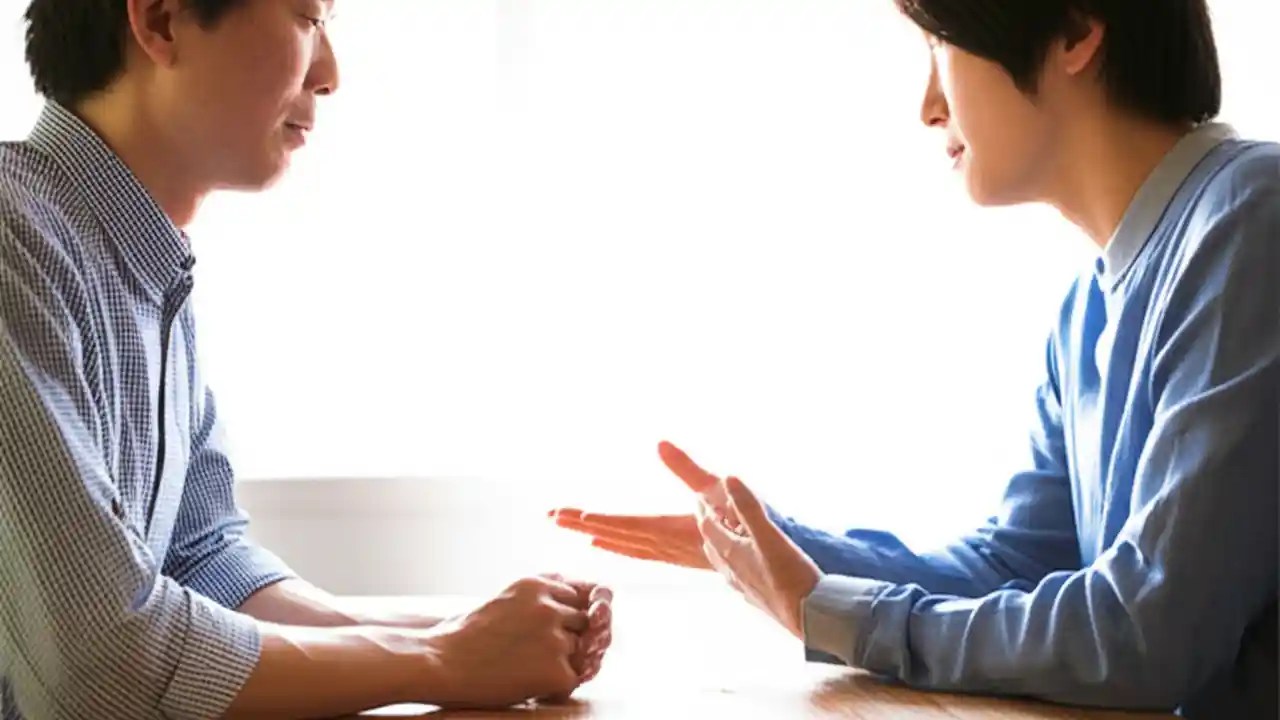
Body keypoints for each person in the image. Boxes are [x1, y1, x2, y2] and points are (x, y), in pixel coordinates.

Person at [551, 1, 1277, 718]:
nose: (929, 106)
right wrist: (772, 550)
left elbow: (1144, 634)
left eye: (941, 47)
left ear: (1076, 31)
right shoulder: (1086, 312)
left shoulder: (1253, 218)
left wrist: (835, 614)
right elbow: (1013, 571)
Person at [0, 0, 612, 717]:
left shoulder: (140, 264)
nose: (330, 74)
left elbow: (203, 560)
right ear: (162, 22)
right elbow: (102, 657)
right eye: (307, 17)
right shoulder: (16, 240)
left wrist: (468, 635)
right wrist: (442, 659)